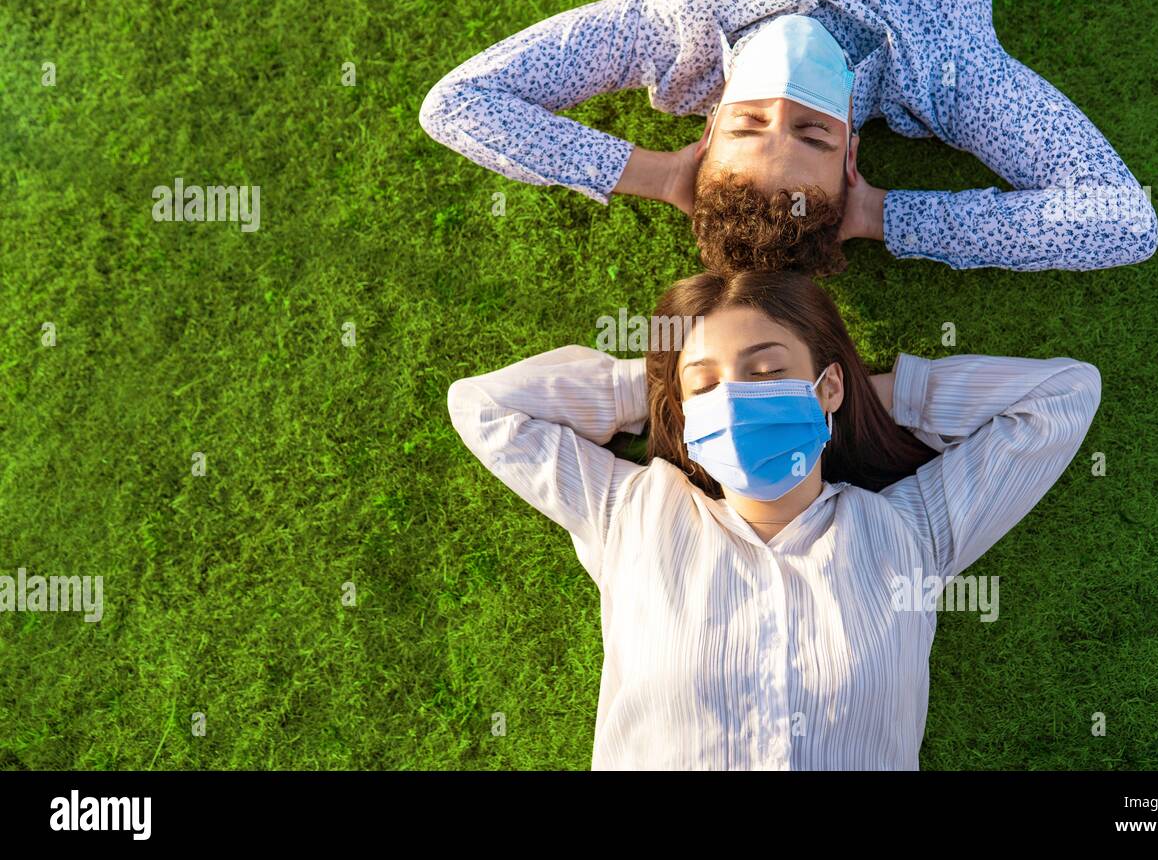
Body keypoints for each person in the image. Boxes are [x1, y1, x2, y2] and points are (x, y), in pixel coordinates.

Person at [446, 269, 1102, 769]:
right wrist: (649, 391)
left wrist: (874, 395)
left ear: (828, 387)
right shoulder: (633, 516)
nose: (735, 397)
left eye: (766, 372)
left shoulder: (911, 532)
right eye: (705, 384)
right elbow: (485, 407)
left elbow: (1060, 398)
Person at [420, 0, 1158, 276]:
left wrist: (655, 176)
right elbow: (1121, 221)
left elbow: (458, 103)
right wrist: (887, 217)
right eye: (813, 134)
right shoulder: (949, 75)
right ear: (853, 152)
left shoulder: (657, 35)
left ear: (705, 133)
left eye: (746, 128)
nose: (788, 101)